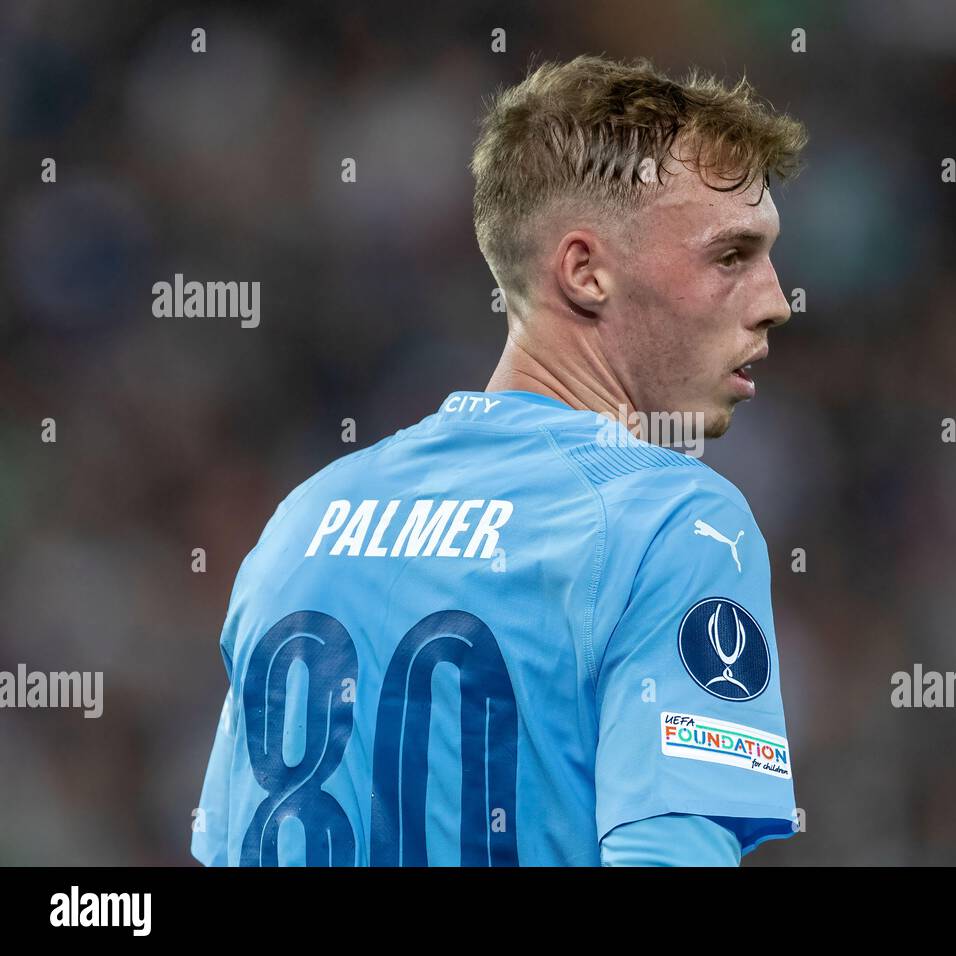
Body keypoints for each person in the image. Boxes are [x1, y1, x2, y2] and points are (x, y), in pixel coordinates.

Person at [191, 53, 808, 867]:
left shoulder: (302, 520)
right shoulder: (672, 524)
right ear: (586, 272)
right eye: (730, 257)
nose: (775, 301)